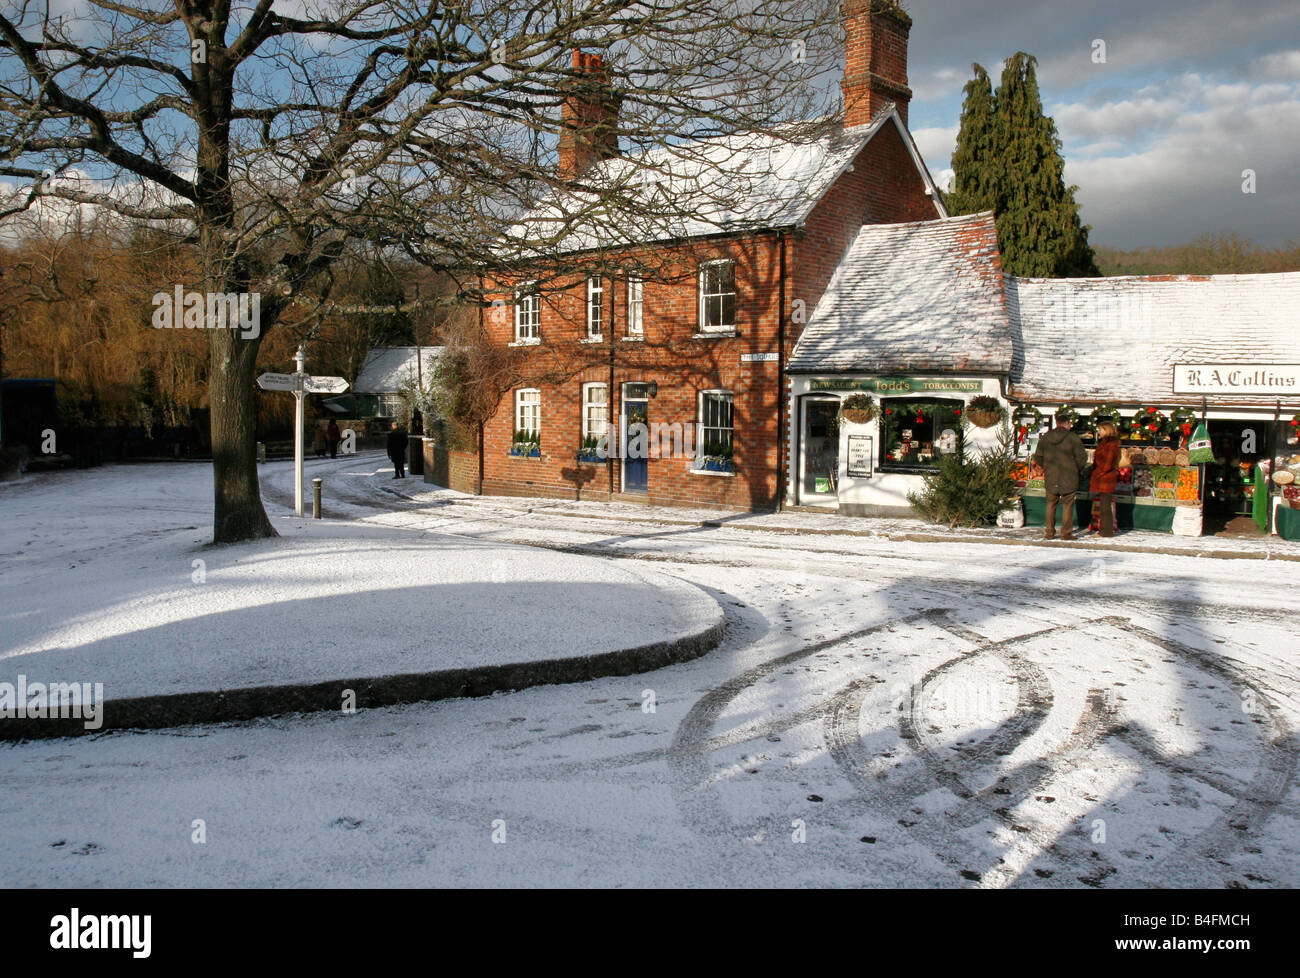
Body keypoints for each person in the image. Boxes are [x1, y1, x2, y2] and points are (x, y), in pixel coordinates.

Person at [1033, 409, 1088, 540]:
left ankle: (1049, 532)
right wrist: (1075, 469)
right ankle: (1066, 533)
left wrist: (1046, 467)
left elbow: (1038, 457)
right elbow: (1082, 458)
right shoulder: (1073, 438)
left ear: (1056, 423)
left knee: (1051, 504)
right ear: (1067, 423)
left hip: (1051, 475)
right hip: (1069, 477)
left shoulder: (1046, 437)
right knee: (1067, 505)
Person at [1090, 422, 1121, 538]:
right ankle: (1103, 530)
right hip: (1103, 477)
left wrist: (1099, 472)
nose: (1099, 432)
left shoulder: (1111, 444)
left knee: (1105, 506)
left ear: (1107, 430)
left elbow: (1108, 463)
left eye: (1101, 430)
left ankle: (1106, 531)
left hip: (1105, 478)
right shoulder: (1105, 443)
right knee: (1104, 505)